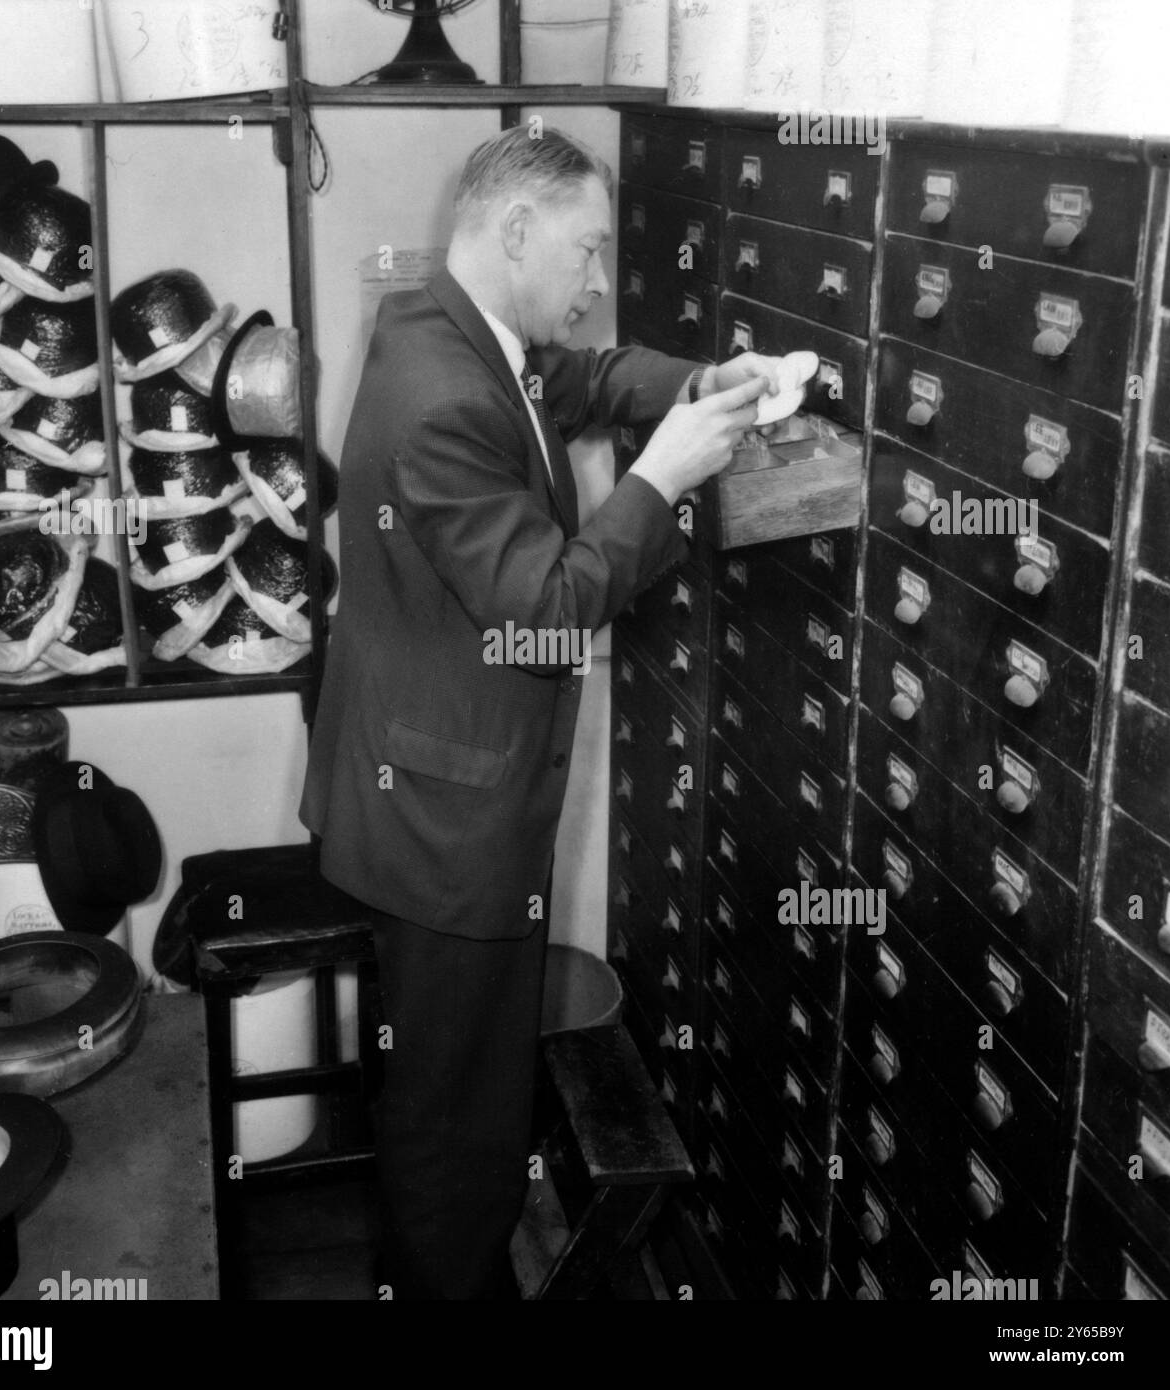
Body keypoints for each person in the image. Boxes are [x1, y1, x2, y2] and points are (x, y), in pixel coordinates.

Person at [299, 124, 781, 1299]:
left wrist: (697, 391)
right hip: (445, 829)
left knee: (452, 1090)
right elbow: (551, 603)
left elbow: (579, 378)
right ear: (516, 232)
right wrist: (662, 478)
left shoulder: (445, 322)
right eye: (588, 250)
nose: (600, 279)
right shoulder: (441, 400)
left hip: (430, 786)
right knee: (458, 1123)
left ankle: (423, 1267)